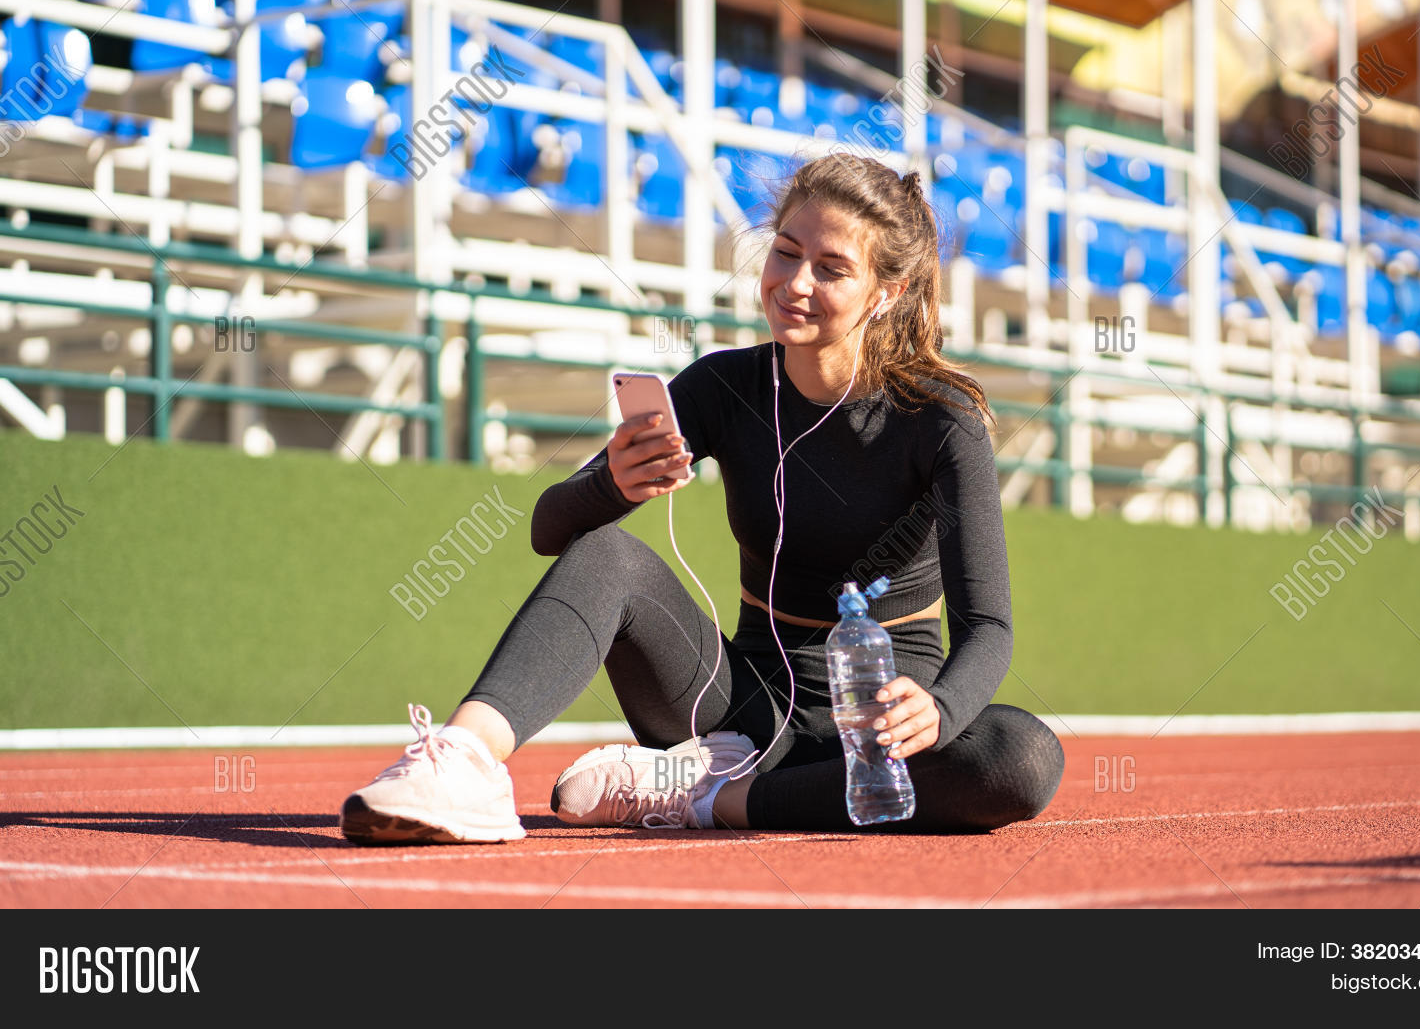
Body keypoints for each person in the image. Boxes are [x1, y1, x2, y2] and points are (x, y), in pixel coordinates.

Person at [338, 153, 1065, 844]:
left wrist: (940, 709)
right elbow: (548, 530)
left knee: (1020, 757)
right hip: (732, 716)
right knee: (608, 554)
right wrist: (610, 484)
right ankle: (464, 764)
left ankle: (711, 800)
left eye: (832, 268)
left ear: (886, 293)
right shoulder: (722, 387)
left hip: (880, 731)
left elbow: (988, 627)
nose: (795, 283)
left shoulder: (940, 420)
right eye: (786, 253)